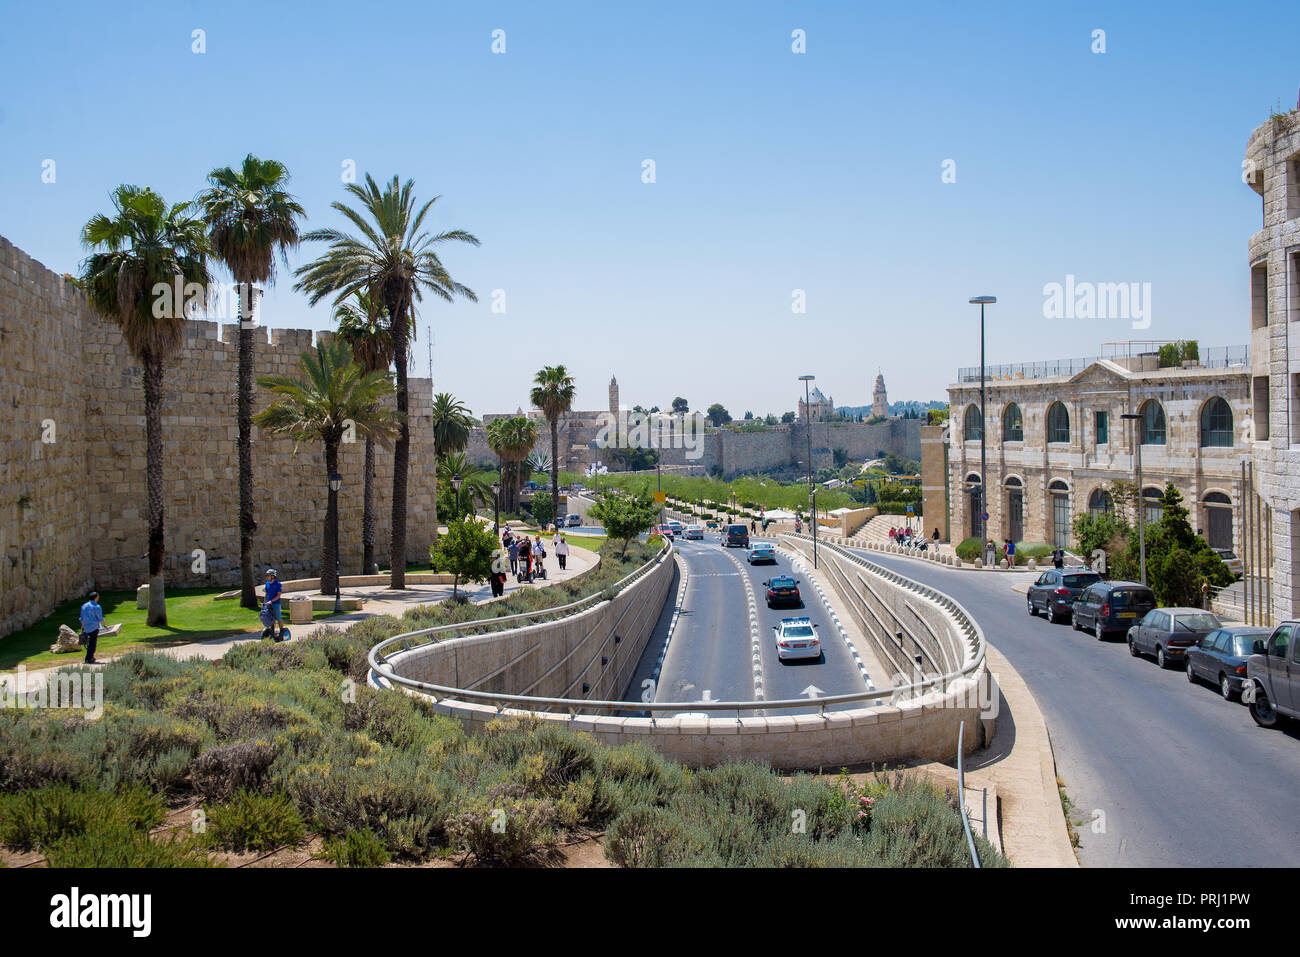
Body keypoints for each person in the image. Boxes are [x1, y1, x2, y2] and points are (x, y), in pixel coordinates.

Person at [79, 590, 105, 665]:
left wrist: (82, 626)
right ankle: (89, 658)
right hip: (94, 627)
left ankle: (91, 657)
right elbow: (100, 618)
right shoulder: (96, 606)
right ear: (96, 598)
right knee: (92, 643)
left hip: (86, 627)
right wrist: (104, 625)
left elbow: (81, 617)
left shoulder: (84, 605)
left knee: (89, 643)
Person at [263, 569, 284, 641]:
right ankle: (272, 632)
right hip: (268, 603)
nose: (267, 577)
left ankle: (282, 631)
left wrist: (271, 601)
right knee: (270, 619)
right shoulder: (267, 584)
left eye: (268, 575)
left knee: (278, 618)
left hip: (276, 604)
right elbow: (266, 593)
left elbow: (278, 595)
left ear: (272, 576)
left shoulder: (278, 584)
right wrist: (264, 602)